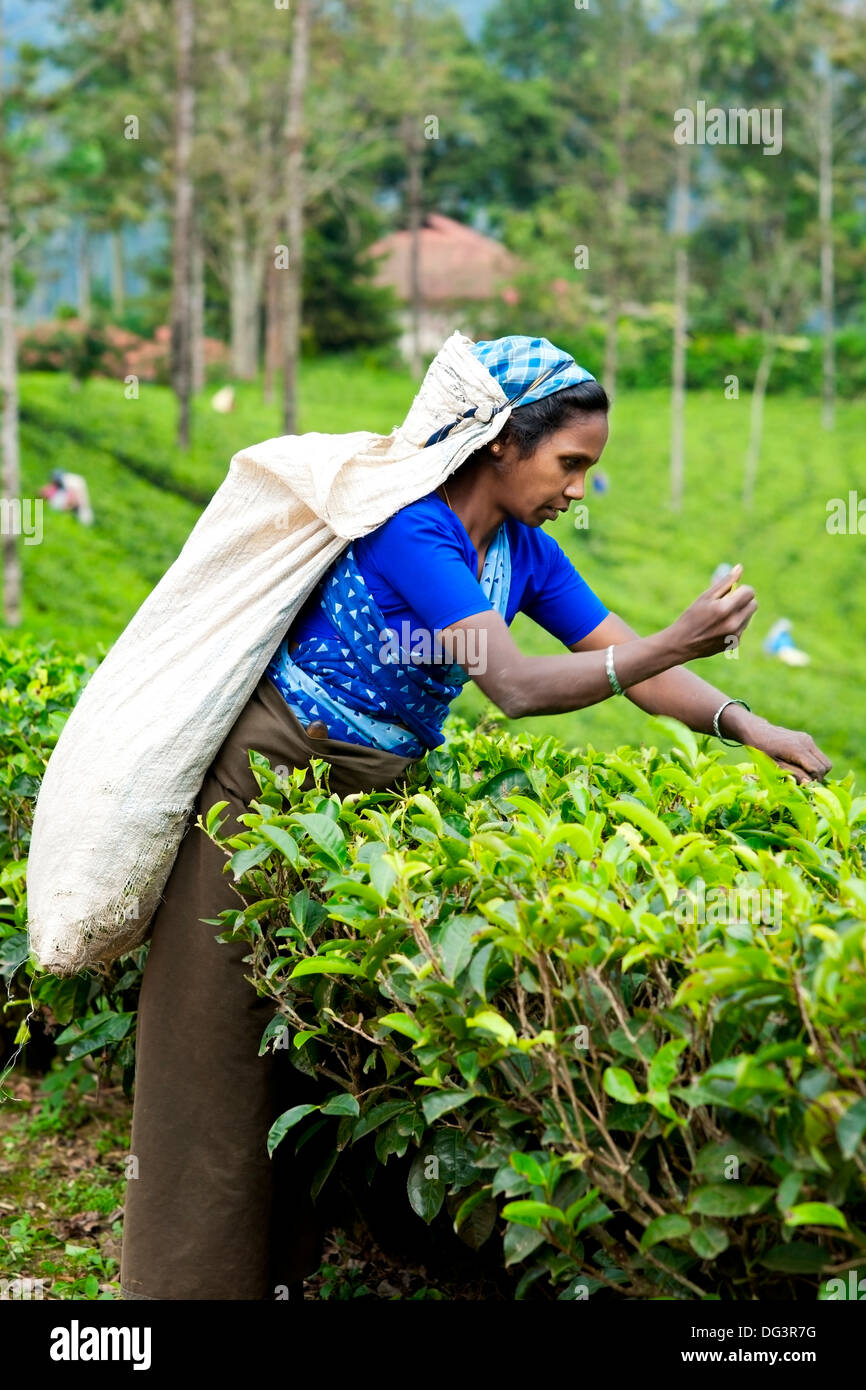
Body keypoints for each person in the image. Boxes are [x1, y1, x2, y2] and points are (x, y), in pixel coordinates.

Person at [119, 333, 832, 1302]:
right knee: (210, 1060)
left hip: (363, 807)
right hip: (264, 790)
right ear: (500, 442)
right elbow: (513, 686)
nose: (577, 489)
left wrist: (751, 724)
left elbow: (624, 662)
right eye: (568, 463)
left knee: (306, 1057)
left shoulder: (522, 555)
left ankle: (276, 1280)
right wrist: (673, 637)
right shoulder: (412, 530)